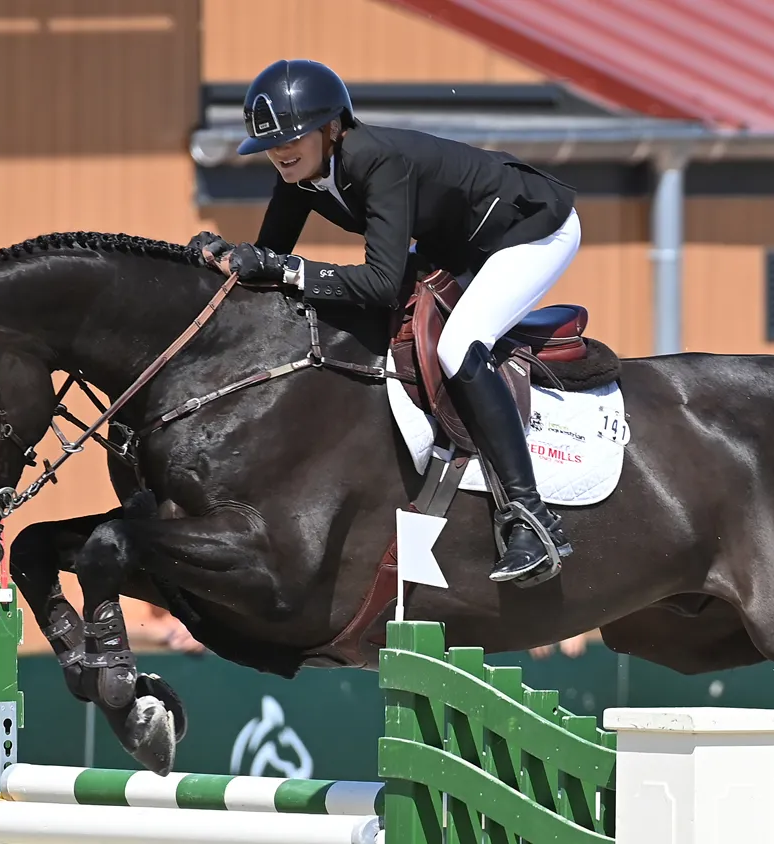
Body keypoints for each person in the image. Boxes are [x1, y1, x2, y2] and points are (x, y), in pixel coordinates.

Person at [187, 59, 581, 585]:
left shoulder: (376, 159)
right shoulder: (299, 175)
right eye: (272, 144)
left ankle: (532, 520)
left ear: (331, 128)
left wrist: (283, 268)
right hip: (461, 242)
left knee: (459, 346)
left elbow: (378, 284)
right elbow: (270, 256)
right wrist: (220, 262)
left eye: (293, 138)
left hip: (529, 229)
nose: (280, 152)